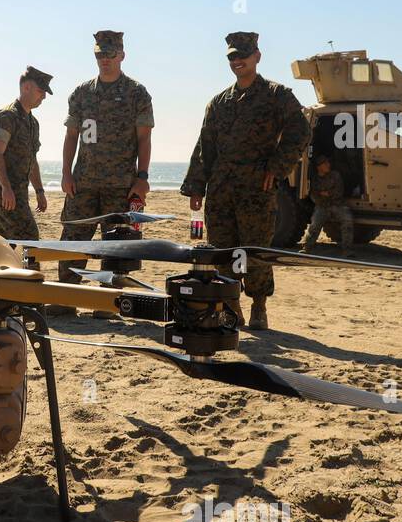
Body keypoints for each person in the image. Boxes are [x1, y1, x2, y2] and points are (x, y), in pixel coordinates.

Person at [181, 31, 311, 330]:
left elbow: (300, 132)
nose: (237, 60)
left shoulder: (277, 95)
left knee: (253, 251)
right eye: (232, 56)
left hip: (257, 189)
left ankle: (259, 305)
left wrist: (277, 167)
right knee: (225, 252)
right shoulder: (219, 103)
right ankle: (232, 305)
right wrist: (196, 187)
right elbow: (205, 147)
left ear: (257, 56)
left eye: (243, 55)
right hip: (221, 190)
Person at [50, 30, 154, 319]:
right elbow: (72, 136)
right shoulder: (82, 93)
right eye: (99, 55)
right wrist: (66, 172)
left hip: (120, 184)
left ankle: (106, 303)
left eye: (109, 55)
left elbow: (144, 139)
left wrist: (142, 177)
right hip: (82, 182)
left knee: (115, 244)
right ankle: (67, 297)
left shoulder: (137, 93)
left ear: (121, 55)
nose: (104, 60)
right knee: (73, 239)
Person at [0, 66, 52, 242]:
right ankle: (31, 269)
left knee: (4, 241)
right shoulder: (6, 116)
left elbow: (32, 159)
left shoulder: (33, 123)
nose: (44, 96)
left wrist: (39, 190)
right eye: (40, 91)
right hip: (2, 189)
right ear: (26, 87)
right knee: (29, 237)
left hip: (19, 190)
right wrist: (6, 187)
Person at [301, 154, 353, 256]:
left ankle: (347, 250)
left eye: (328, 163)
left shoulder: (335, 175)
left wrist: (325, 193)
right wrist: (325, 194)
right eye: (325, 163)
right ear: (319, 166)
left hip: (337, 205)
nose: (328, 165)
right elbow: (314, 195)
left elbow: (338, 191)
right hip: (322, 206)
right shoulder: (315, 179)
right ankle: (307, 248)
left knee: (347, 221)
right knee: (314, 225)